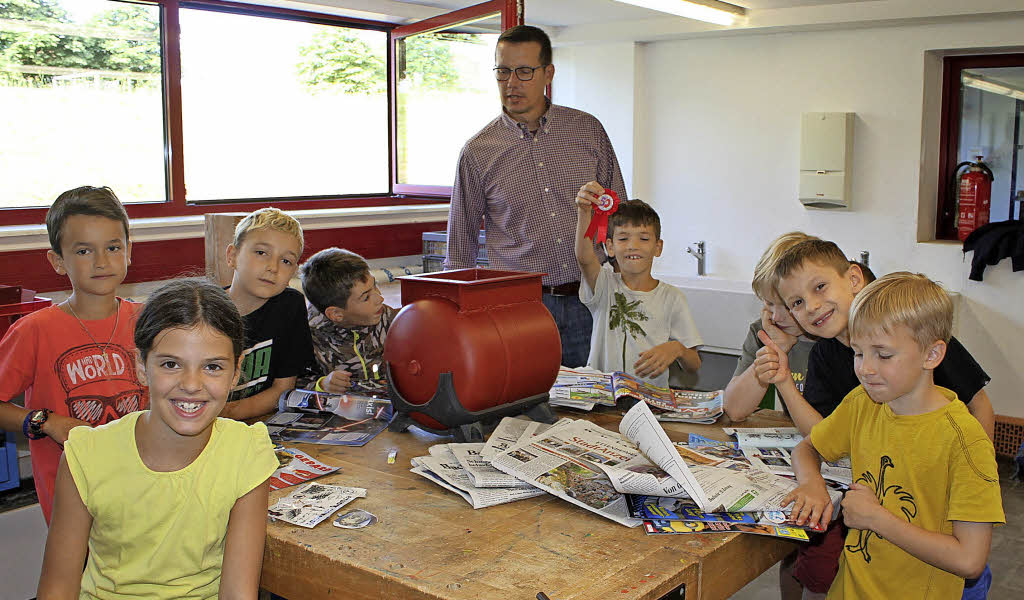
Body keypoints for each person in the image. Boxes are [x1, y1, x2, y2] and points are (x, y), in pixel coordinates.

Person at [758, 238, 996, 598]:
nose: (866, 369)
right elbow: (812, 444)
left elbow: (969, 559)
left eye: (882, 355)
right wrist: (811, 483)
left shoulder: (963, 439)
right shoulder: (862, 400)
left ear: (932, 354)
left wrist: (878, 518)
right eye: (857, 353)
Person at [37, 279, 278, 599]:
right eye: (170, 364)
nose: (192, 384)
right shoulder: (87, 455)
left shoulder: (247, 453)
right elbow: (57, 588)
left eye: (213, 367)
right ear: (140, 366)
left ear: (235, 373)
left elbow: (238, 592)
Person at [444, 24, 628, 368]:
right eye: (503, 71)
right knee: (526, 403)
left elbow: (619, 215)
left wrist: (626, 288)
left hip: (592, 297)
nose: (512, 83)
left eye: (525, 71)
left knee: (601, 401)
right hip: (520, 308)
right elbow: (460, 247)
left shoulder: (587, 130)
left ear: (548, 73)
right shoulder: (477, 151)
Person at [0, 186, 147, 523]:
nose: (101, 261)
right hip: (75, 506)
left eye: (113, 247)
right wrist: (46, 422)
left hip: (144, 495)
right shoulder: (34, 330)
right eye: (84, 251)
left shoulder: (149, 320)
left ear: (128, 252)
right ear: (57, 261)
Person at [574, 187, 702, 388]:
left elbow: (693, 364)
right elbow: (584, 257)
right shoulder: (604, 286)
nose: (633, 245)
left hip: (651, 404)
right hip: (604, 401)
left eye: (643, 238)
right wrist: (584, 211)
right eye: (623, 238)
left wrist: (677, 349)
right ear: (610, 246)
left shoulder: (672, 297)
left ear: (657, 247)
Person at [219, 208, 314, 419]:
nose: (273, 267)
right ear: (232, 256)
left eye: (286, 261)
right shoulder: (203, 311)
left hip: (251, 422)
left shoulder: (291, 305)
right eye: (261, 253)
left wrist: (228, 414)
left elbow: (283, 389)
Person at [724, 232, 819, 422]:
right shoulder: (763, 331)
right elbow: (734, 410)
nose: (776, 316)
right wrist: (774, 349)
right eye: (768, 303)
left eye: (787, 305)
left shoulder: (834, 337)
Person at [299, 247, 396, 393]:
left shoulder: (390, 318)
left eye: (375, 286)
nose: (380, 298)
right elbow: (294, 386)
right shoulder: (307, 339)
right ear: (336, 314)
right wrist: (323, 385)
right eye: (366, 297)